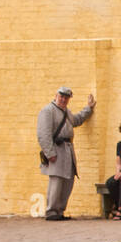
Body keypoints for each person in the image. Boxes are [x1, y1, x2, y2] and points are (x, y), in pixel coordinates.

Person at [37, 85, 95, 221]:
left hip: (67, 148)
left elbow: (76, 120)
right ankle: (52, 212)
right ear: (56, 96)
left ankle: (60, 211)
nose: (63, 99)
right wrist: (49, 152)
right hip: (56, 149)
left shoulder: (66, 112)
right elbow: (43, 134)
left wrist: (89, 108)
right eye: (61, 96)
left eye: (66, 97)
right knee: (56, 180)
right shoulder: (48, 111)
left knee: (68, 181)